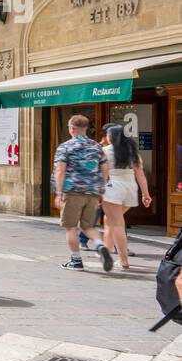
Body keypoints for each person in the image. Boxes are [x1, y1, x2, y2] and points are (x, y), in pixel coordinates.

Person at [51, 114, 114, 272]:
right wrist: (101, 189)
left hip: (73, 192)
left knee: (70, 227)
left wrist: (58, 193)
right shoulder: (96, 147)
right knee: (88, 226)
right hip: (92, 191)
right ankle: (100, 246)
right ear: (86, 129)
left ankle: (76, 260)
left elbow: (60, 170)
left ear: (72, 128)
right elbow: (105, 169)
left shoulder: (65, 147)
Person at [99, 124, 152, 270]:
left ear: (111, 137)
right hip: (130, 188)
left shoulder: (104, 151)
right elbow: (140, 174)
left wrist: (98, 191)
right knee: (109, 220)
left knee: (117, 224)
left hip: (113, 189)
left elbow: (103, 174)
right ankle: (107, 251)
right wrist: (146, 194)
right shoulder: (133, 152)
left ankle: (123, 261)